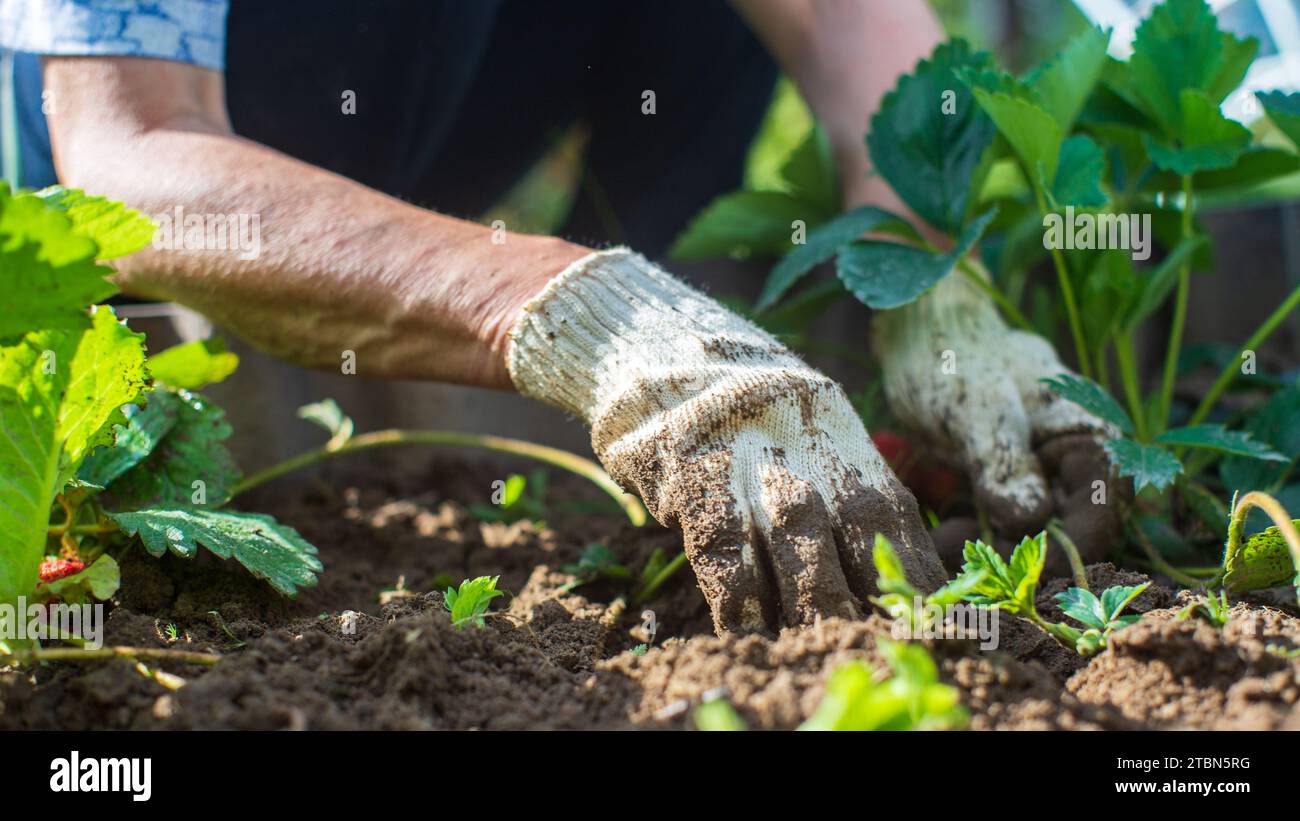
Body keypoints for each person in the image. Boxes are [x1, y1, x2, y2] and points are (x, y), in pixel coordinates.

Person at [0, 0, 1113, 635]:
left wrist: (922, 280)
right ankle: (637, 357)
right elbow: (126, 158)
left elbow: (851, 28)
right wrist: (581, 312)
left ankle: (694, 433)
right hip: (125, 169)